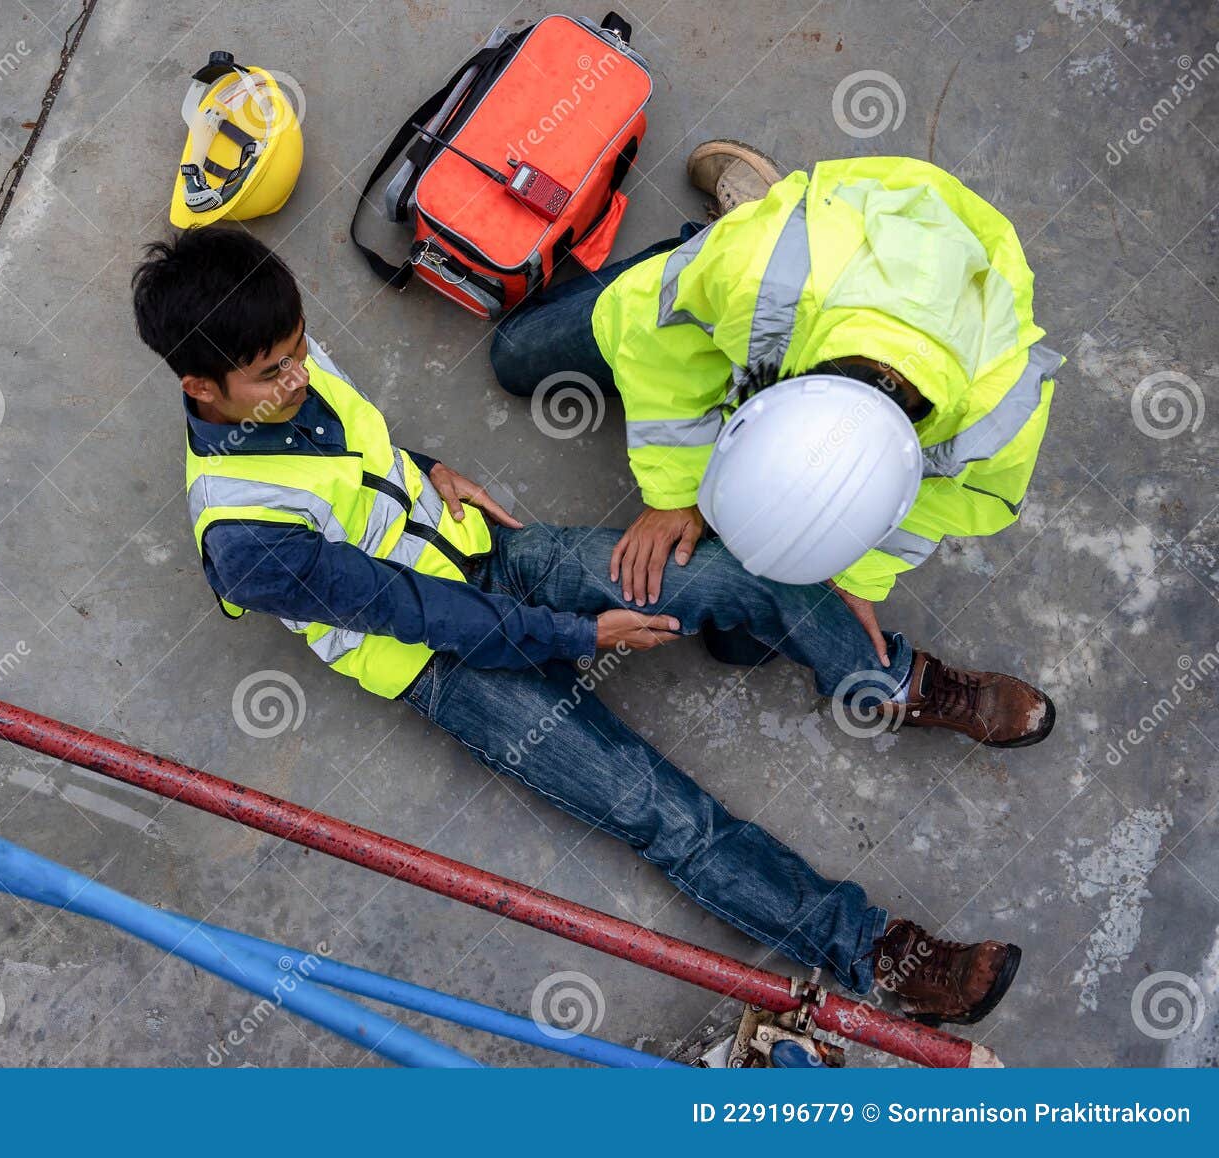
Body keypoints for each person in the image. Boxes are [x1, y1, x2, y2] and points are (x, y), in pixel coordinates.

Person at [131, 225, 1021, 1024]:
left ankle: (890, 681)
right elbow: (426, 614)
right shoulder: (245, 536)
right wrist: (582, 639)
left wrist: (431, 469)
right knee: (661, 812)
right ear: (200, 386)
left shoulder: (281, 361)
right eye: (271, 373)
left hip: (483, 548)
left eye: (296, 351)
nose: (298, 374)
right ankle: (875, 952)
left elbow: (364, 445)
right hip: (441, 660)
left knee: (740, 571)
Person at [491, 142, 1059, 748]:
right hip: (777, 267)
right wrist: (677, 491)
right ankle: (710, 241)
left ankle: (721, 249)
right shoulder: (763, 278)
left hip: (893, 298)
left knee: (741, 647)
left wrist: (858, 575)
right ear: (762, 405)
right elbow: (658, 340)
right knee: (516, 356)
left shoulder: (1000, 416)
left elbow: (949, 506)